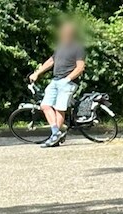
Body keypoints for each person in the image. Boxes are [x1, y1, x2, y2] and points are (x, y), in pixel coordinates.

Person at [29, 20, 86, 148]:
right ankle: (56, 133)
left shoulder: (78, 47)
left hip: (68, 82)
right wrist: (37, 73)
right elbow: (51, 61)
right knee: (45, 105)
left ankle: (54, 137)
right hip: (55, 80)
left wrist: (68, 79)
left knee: (60, 108)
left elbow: (80, 67)